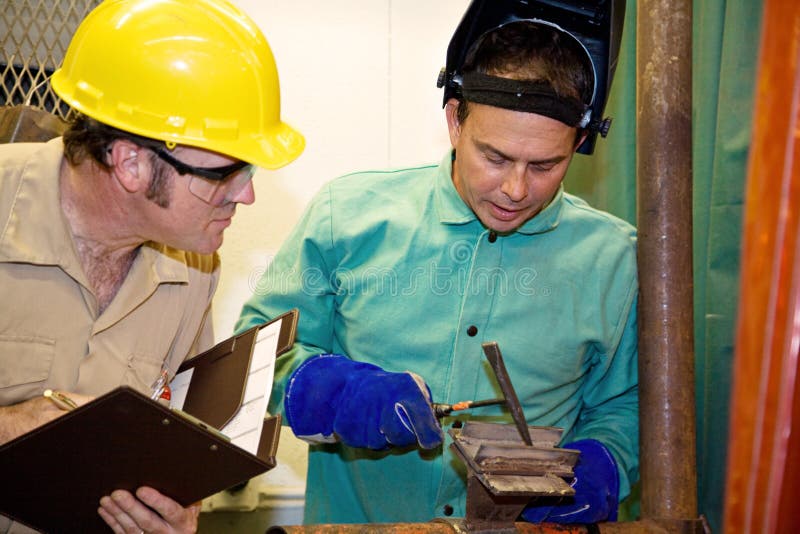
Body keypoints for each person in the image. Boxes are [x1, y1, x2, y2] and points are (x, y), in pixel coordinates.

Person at [236, 0, 636, 525]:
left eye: (545, 165)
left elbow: (626, 406)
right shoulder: (346, 216)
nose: (515, 190)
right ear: (454, 120)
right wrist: (333, 390)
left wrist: (609, 460)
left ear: (579, 143)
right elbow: (252, 359)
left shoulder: (615, 259)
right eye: (494, 157)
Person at [0, 0, 303, 532]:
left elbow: (176, 434)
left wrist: (175, 512)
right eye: (225, 173)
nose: (247, 195)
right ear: (132, 163)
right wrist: (18, 424)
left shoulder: (195, 266)